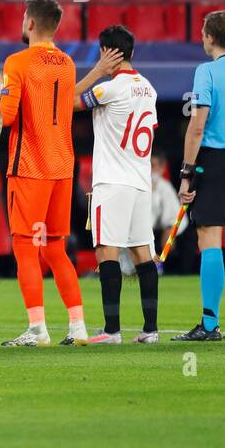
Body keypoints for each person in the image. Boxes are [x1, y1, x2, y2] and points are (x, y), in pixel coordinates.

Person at [0, 0, 90, 347]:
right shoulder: (67, 62)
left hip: (30, 167)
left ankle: (37, 329)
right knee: (55, 248)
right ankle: (77, 327)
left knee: (25, 247)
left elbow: (8, 116)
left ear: (30, 23)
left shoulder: (17, 62)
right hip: (62, 166)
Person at [73, 25, 160, 345]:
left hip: (111, 182)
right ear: (132, 53)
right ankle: (150, 330)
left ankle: (111, 331)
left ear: (105, 53)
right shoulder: (148, 89)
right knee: (142, 254)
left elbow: (66, 102)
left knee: (105, 252)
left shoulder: (108, 89)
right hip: (140, 182)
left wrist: (97, 71)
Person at [175, 10, 225, 342]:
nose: (201, 38)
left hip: (216, 159)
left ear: (211, 38)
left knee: (210, 237)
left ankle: (210, 324)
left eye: (203, 33)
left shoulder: (207, 72)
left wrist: (187, 173)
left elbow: (197, 126)